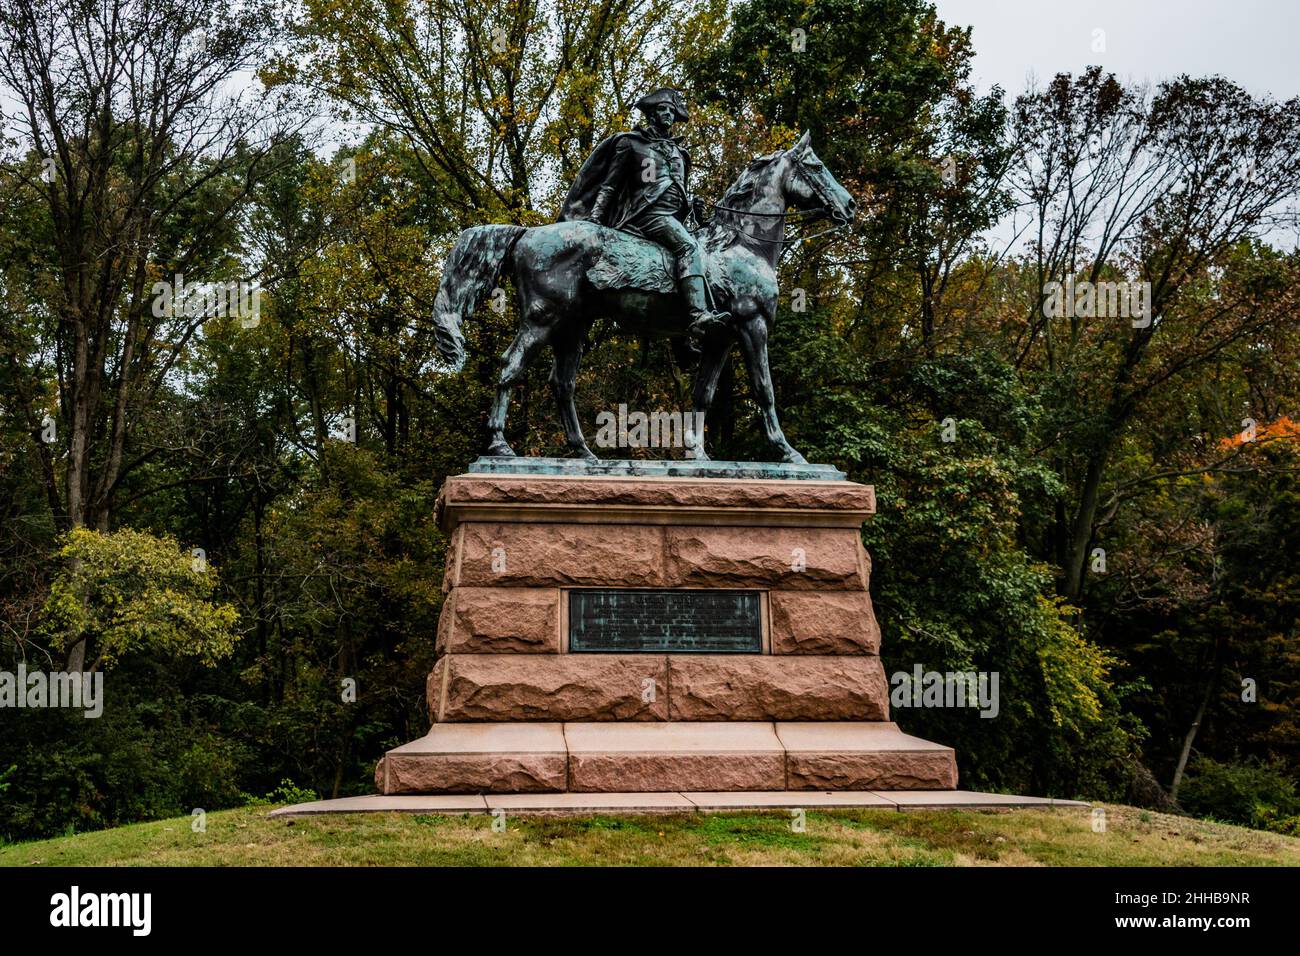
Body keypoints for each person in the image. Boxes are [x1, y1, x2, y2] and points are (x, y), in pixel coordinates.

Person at [559, 88, 730, 341]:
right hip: (646, 215)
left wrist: (692, 204)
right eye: (663, 110)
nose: (668, 115)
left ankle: (682, 335)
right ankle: (698, 314)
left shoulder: (680, 153)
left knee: (699, 257)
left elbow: (678, 188)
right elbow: (610, 184)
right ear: (652, 114)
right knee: (688, 249)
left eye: (672, 112)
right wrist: (595, 218)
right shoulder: (632, 144)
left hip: (672, 218)